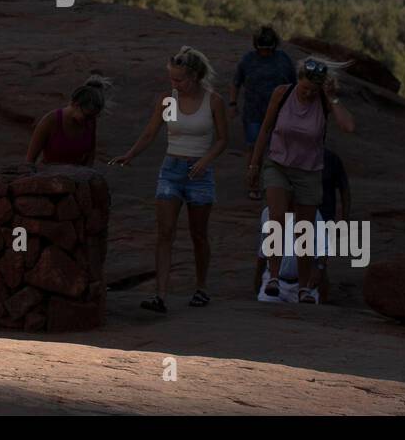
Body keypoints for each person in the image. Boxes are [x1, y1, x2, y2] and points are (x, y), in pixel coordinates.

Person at [110, 46, 228, 313]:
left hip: (199, 172)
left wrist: (205, 161)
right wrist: (130, 155)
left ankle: (201, 288)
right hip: (171, 169)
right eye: (172, 79)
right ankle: (160, 295)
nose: (175, 84)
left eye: (180, 79)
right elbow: (151, 132)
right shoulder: (169, 101)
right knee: (165, 232)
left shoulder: (214, 101)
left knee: (199, 234)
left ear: (196, 76)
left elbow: (222, 139)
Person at [245, 57, 355, 304]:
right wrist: (254, 163)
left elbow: (348, 126)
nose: (307, 93)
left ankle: (303, 288)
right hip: (278, 164)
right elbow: (265, 129)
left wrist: (331, 97)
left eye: (312, 90)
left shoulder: (323, 101)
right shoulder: (282, 94)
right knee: (277, 217)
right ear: (298, 79)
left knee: (303, 229)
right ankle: (273, 277)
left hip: (308, 170)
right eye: (304, 87)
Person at [230, 26, 296, 197]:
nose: (265, 52)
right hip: (254, 112)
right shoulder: (248, 60)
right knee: (254, 148)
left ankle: (279, 185)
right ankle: (253, 185)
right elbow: (236, 82)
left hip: (280, 112)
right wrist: (232, 103)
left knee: (281, 148)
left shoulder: (283, 59)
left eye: (268, 49)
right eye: (261, 49)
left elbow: (295, 84)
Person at [26, 75, 110, 165]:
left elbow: (90, 154)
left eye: (94, 117)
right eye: (87, 116)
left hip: (77, 175)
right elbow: (30, 160)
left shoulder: (90, 121)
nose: (90, 120)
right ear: (76, 104)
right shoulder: (50, 121)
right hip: (49, 174)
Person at [254, 204, 327, 303]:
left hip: (304, 284)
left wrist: (319, 267)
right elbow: (263, 249)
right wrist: (258, 281)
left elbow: (323, 248)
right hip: (274, 282)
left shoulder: (312, 212)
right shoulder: (268, 211)